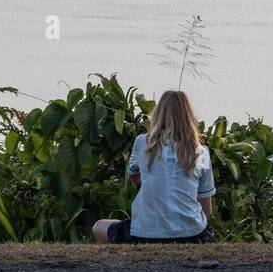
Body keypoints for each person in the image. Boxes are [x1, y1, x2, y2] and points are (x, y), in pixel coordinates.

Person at [93, 89, 217, 243]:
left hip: (145, 234)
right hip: (192, 234)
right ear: (189, 117)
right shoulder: (201, 152)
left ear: (158, 114)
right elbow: (207, 210)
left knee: (98, 226)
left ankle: (115, 264)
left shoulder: (142, 142)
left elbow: (133, 173)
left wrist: (141, 181)